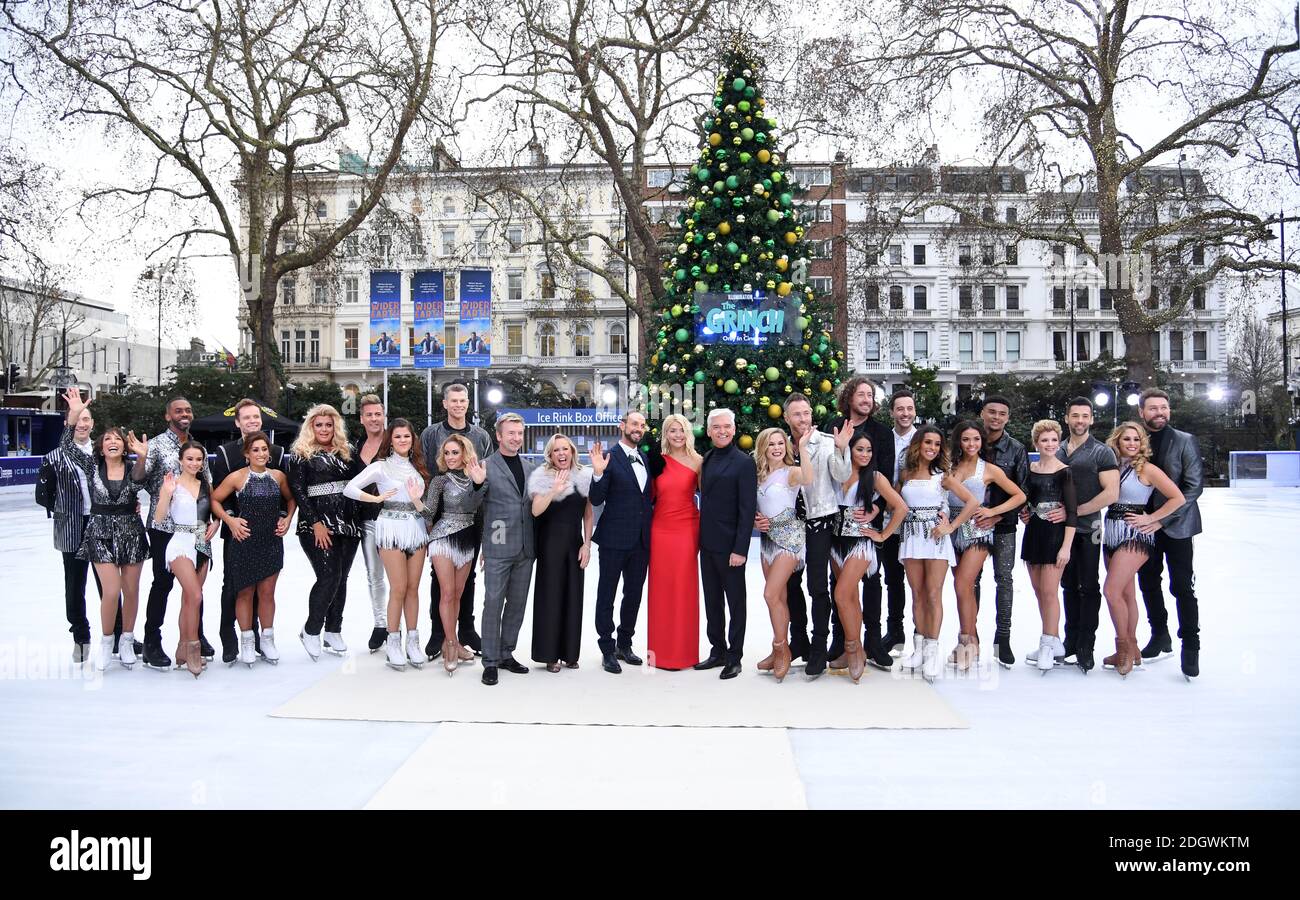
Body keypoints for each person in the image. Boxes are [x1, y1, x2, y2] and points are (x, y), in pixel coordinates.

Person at [758, 395, 854, 678]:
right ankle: (795, 642)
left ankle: (819, 648)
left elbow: (842, 474)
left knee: (817, 585)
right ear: (786, 417)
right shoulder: (779, 444)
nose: (803, 419)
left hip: (817, 520)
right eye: (796, 415)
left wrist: (842, 449)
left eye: (807, 413)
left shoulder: (826, 441)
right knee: (789, 586)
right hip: (787, 526)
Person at [60, 389, 146, 670]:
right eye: (107, 438)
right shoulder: (90, 465)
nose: (112, 442)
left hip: (131, 532)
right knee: (111, 591)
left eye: (117, 439)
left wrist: (143, 457)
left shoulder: (134, 467)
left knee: (131, 590)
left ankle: (127, 640)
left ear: (124, 446)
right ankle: (107, 640)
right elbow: (67, 447)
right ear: (100, 446)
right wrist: (73, 418)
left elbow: (139, 484)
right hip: (98, 532)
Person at [132, 395, 212, 670]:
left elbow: (207, 487)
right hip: (165, 527)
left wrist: (211, 520)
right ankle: (152, 641)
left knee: (196, 590)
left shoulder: (197, 447)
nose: (184, 414)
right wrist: (142, 459)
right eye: (178, 410)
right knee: (162, 584)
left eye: (188, 409)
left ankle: (194, 637)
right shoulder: (154, 445)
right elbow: (138, 480)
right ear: (168, 416)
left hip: (197, 529)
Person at [823, 377, 898, 665]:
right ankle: (840, 639)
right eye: (862, 394)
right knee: (838, 583)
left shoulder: (881, 432)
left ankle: (873, 641)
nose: (867, 399)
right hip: (837, 518)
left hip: (867, 512)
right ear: (849, 397)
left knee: (872, 580)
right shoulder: (833, 423)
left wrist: (877, 508)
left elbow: (886, 475)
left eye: (871, 395)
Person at [894, 425, 978, 683]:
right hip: (910, 536)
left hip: (935, 538)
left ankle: (932, 649)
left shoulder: (943, 476)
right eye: (927, 442)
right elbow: (894, 502)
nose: (932, 448)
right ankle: (918, 649)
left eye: (937, 444)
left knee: (933, 593)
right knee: (917, 594)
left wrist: (950, 525)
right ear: (917, 445)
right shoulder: (905, 473)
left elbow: (972, 502)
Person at [345, 418, 430, 669]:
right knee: (399, 588)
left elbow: (423, 504)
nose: (403, 440)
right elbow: (349, 488)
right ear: (390, 441)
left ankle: (412, 641)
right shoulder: (381, 467)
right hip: (390, 527)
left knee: (414, 588)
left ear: (412, 439)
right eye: (397, 437)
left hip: (416, 528)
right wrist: (376, 498)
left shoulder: (418, 466)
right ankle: (393, 641)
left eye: (407, 436)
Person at [1102, 421, 1185, 677]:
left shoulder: (1148, 469)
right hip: (1111, 532)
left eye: (1136, 440)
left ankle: (1124, 648)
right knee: (1126, 594)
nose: (1131, 444)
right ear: (1117, 441)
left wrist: (1154, 519)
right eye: (1126, 439)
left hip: (1135, 534)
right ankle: (1132, 647)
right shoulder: (1112, 466)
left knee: (1111, 590)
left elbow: (1178, 498)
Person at [211, 398, 290, 664]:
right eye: (246, 418)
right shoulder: (225, 455)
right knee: (236, 589)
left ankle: (263, 640)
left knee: (266, 592)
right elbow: (215, 497)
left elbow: (289, 498)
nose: (252, 421)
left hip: (269, 537)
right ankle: (233, 640)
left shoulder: (277, 460)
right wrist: (229, 520)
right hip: (239, 535)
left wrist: (286, 518)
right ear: (238, 422)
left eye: (256, 417)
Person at [420, 382, 493, 659]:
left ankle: (467, 630)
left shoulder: (481, 436)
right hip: (441, 513)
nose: (459, 405)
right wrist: (429, 519)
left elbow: (483, 480)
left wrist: (484, 528)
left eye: (463, 401)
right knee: (439, 580)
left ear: (467, 404)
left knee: (468, 577)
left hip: (472, 514)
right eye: (454, 401)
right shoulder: (431, 434)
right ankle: (438, 633)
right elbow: (428, 475)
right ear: (445, 403)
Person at [1135, 388, 1204, 679]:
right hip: (1142, 527)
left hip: (1176, 526)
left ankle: (1191, 645)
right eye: (1153, 408)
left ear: (1170, 410)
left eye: (1163, 407)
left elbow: (1194, 487)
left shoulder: (1185, 441)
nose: (1159, 413)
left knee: (1182, 587)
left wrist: (1161, 520)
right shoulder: (1134, 441)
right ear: (1142, 412)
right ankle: (1160, 634)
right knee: (1148, 582)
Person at [946, 420, 1025, 672]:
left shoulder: (989, 469)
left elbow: (1020, 496)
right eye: (966, 439)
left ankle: (967, 643)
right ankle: (970, 640)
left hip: (977, 530)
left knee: (964, 584)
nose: (971, 444)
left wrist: (993, 511)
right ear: (959, 441)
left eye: (976, 439)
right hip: (951, 529)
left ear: (982, 442)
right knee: (963, 589)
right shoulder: (948, 466)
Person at [1047, 397, 1119, 673]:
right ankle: (1071, 641)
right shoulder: (1058, 450)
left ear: (1091, 419)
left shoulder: (1102, 452)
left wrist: (1074, 513)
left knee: (1088, 586)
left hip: (1091, 529)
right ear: (1066, 418)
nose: (1079, 421)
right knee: (1066, 585)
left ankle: (1087, 645)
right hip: (1061, 531)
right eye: (1074, 415)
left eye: (1084, 416)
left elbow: (1111, 493)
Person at [830, 433, 907, 682]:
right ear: (849, 450)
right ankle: (855, 649)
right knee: (848, 597)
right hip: (835, 543)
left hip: (861, 543)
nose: (865, 455)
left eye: (869, 450)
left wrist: (883, 535)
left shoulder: (874, 477)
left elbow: (901, 507)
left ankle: (853, 649)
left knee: (841, 595)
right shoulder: (835, 471)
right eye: (860, 449)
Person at [288, 404, 362, 661]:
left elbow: (362, 480)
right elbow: (298, 490)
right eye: (318, 425)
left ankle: (333, 630)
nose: (323, 429)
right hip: (316, 524)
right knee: (328, 575)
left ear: (335, 427)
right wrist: (316, 523)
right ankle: (311, 630)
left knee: (341, 578)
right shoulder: (300, 453)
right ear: (311, 427)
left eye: (328, 425)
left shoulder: (347, 451)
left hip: (348, 523)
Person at [694, 408, 757, 681]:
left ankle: (734, 656)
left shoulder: (744, 463)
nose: (722, 431)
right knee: (712, 602)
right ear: (708, 431)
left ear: (734, 429)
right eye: (716, 427)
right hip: (707, 545)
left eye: (726, 426)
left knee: (736, 603)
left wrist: (740, 549)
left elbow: (747, 508)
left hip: (731, 547)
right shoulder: (706, 459)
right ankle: (717, 650)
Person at [416, 434, 488, 674]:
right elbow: (429, 514)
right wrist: (416, 500)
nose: (450, 457)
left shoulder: (476, 478)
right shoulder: (439, 481)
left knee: (458, 594)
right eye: (446, 453)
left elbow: (475, 506)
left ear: (465, 453)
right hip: (443, 538)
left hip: (467, 539)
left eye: (454, 452)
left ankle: (455, 641)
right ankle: (449, 644)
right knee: (446, 593)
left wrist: (479, 483)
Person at [588, 411, 654, 674]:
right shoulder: (609, 457)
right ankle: (607, 648)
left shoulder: (645, 457)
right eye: (633, 424)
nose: (638, 428)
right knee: (607, 594)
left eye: (642, 425)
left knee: (633, 595)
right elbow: (595, 499)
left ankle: (625, 644)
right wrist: (597, 473)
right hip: (614, 539)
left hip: (641, 540)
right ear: (622, 426)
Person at [752, 426, 817, 682]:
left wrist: (802, 448)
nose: (776, 448)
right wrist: (755, 522)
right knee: (777, 597)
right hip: (767, 540)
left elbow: (809, 478)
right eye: (771, 444)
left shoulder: (791, 473)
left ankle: (781, 651)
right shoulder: (757, 475)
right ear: (763, 448)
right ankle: (780, 647)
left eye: (780, 443)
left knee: (770, 593)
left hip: (790, 539)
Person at [478, 412, 537, 686]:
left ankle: (505, 653)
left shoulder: (529, 467)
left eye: (519, 433)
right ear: (499, 436)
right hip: (498, 546)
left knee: (516, 605)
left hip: (526, 548)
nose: (516, 438)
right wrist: (477, 484)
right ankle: (489, 661)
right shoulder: (486, 466)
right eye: (510, 433)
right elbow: (470, 503)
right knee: (493, 603)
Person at [527, 433, 593, 672]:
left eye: (565, 449)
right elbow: (536, 510)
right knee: (550, 597)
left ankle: (569, 653)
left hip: (574, 543)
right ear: (550, 454)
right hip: (550, 544)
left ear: (572, 451)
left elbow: (588, 513)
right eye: (556, 450)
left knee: (573, 596)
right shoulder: (541, 476)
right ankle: (549, 654)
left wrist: (587, 544)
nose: (561, 454)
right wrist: (553, 490)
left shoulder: (584, 476)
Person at [973, 395, 1029, 667]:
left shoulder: (1016, 449)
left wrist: (996, 516)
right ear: (983, 413)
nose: (996, 417)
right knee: (970, 581)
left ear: (1007, 418)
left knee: (1004, 580)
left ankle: (1003, 637)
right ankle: (969, 636)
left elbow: (1023, 491)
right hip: (972, 525)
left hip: (1004, 525)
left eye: (1002, 414)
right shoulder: (970, 442)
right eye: (991, 412)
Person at [155, 441, 218, 677]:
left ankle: (182, 648)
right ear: (181, 460)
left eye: (198, 459)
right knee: (195, 595)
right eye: (190, 459)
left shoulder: (206, 485)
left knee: (189, 601)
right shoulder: (172, 484)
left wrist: (217, 523)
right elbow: (159, 518)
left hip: (202, 542)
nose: (194, 463)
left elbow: (211, 514)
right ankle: (193, 648)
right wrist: (166, 494)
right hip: (180, 541)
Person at [1020, 420, 1078, 673]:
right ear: (1036, 443)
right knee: (1038, 591)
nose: (1050, 444)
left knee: (1049, 592)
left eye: (1054, 440)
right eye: (1045, 440)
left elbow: (1073, 513)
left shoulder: (1064, 471)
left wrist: (1066, 547)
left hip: (1055, 536)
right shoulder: (1030, 469)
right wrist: (1025, 512)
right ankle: (1053, 641)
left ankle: (1047, 644)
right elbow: (1026, 498)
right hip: (1034, 534)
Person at [646, 413, 701, 670]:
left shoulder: (699, 461)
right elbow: (648, 496)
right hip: (660, 530)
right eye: (672, 431)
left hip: (687, 530)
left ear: (687, 433)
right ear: (665, 435)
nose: (677, 435)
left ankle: (684, 654)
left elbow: (711, 495)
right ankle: (660, 654)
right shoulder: (658, 462)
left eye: (681, 430)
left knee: (684, 590)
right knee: (661, 591)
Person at [351, 394, 390, 652]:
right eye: (370, 415)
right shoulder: (356, 445)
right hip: (367, 519)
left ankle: (402, 628)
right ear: (362, 418)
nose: (374, 418)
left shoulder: (396, 439)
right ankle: (380, 624)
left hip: (395, 518)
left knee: (401, 579)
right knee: (374, 575)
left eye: (378, 414)